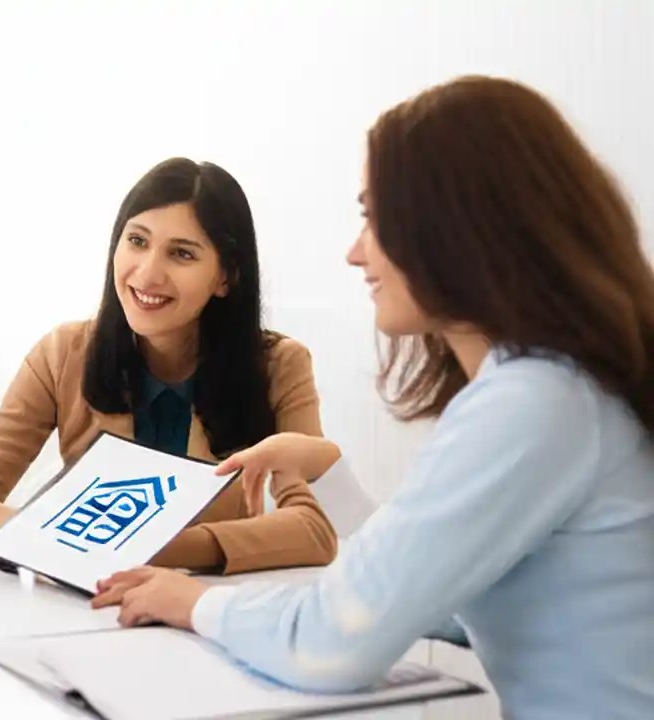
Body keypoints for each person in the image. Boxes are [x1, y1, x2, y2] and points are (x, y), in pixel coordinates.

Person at [92, 76, 654, 718]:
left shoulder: (538, 403)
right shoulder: (554, 389)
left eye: (376, 219)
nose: (356, 252)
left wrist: (188, 601)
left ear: (457, 228)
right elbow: (429, 593)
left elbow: (335, 642)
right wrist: (326, 475)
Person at [0, 158, 337, 575]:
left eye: (181, 254)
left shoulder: (279, 366)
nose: (147, 273)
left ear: (225, 278)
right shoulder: (62, 353)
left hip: (203, 612)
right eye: (137, 241)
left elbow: (313, 530)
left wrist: (147, 551)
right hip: (85, 609)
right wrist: (36, 538)